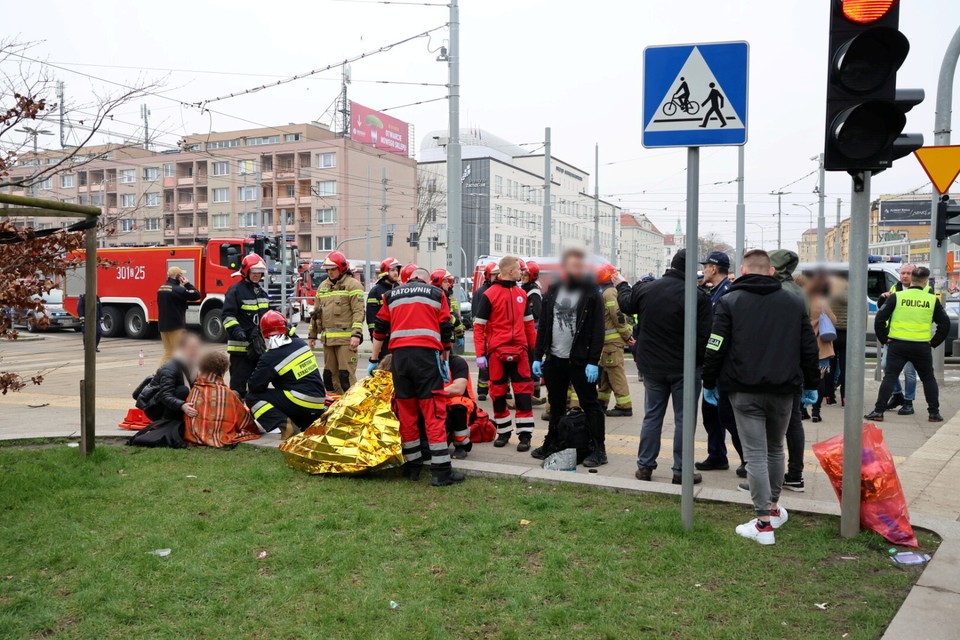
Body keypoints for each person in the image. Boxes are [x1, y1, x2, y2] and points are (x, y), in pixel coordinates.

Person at [702, 249, 820, 545]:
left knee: (754, 454)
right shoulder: (793, 301)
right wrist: (812, 385)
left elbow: (716, 345)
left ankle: (763, 523)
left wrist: (709, 381)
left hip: (743, 389)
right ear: (770, 272)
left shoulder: (729, 302)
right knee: (775, 449)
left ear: (742, 270)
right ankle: (774, 508)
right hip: (783, 388)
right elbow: (808, 347)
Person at [615, 249, 711, 484]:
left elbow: (627, 304)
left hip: (652, 367)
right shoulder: (697, 296)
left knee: (652, 416)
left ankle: (645, 467)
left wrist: (622, 285)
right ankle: (681, 471)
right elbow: (703, 337)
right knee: (684, 419)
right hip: (684, 368)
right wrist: (699, 365)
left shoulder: (648, 289)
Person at [369, 267, 462, 486]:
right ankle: (441, 472)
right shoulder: (436, 293)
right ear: (427, 278)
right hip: (426, 358)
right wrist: (445, 357)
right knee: (433, 412)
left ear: (408, 278)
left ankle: (413, 466)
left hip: (400, 359)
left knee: (407, 412)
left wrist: (374, 359)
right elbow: (446, 327)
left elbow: (380, 328)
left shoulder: (390, 295)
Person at [531, 248, 607, 466]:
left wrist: (593, 361)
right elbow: (544, 324)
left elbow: (597, 331)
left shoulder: (591, 293)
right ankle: (552, 443)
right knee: (556, 404)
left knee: (590, 404)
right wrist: (538, 356)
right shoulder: (554, 290)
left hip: (580, 361)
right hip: (555, 359)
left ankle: (598, 449)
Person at [866, 267, 949, 423]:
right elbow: (944, 324)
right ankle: (934, 413)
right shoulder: (931, 300)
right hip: (921, 345)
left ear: (912, 280)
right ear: (925, 282)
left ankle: (878, 411)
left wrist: (884, 339)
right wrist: (933, 343)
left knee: (890, 377)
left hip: (897, 344)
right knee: (928, 378)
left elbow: (879, 319)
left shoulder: (897, 296)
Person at [473, 255, 537, 452]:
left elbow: (529, 325)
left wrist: (535, 353)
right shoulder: (489, 294)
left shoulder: (521, 294)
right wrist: (480, 354)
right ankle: (504, 432)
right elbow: (478, 327)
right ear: (510, 272)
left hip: (521, 351)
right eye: (519, 269)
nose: (522, 272)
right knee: (498, 394)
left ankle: (525, 435)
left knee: (523, 393)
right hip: (496, 352)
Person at [695, 251, 744, 475]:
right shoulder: (712, 291)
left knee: (729, 417)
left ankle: (747, 460)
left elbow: (719, 334)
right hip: (713, 366)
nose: (703, 270)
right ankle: (716, 455)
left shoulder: (727, 293)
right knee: (710, 415)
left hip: (724, 367)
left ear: (714, 269)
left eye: (705, 267)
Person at [247, 310, 327, 440]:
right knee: (285, 392)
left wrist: (260, 361)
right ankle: (303, 423)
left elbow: (254, 386)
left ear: (264, 335)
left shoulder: (271, 356)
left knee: (252, 397)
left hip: (301, 401)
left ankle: (285, 426)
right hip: (318, 402)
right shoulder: (300, 343)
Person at [770, 249, 810, 492]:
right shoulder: (796, 291)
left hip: (780, 365)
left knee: (774, 425)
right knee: (793, 422)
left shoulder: (780, 293)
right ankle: (795, 474)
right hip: (794, 365)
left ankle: (771, 479)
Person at [128, 332, 201, 448]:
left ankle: (177, 426)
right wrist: (182, 406)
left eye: (196, 347)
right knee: (183, 391)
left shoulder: (192, 366)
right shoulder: (171, 367)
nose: (195, 351)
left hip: (169, 402)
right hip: (155, 407)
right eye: (191, 348)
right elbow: (165, 395)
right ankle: (165, 426)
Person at [309, 251, 365, 395]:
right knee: (328, 377)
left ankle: (350, 410)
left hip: (346, 340)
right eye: (328, 269)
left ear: (341, 268)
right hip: (328, 341)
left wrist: (356, 335)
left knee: (345, 377)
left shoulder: (353, 286)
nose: (330, 272)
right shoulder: (323, 287)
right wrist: (312, 335)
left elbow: (358, 312)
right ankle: (335, 409)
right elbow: (316, 313)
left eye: (333, 269)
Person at [183, 351, 261, 447]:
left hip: (193, 435)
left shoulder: (194, 389)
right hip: (220, 436)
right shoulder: (227, 393)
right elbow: (246, 423)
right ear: (223, 369)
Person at [878, 263, 927, 414]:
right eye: (903, 273)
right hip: (894, 337)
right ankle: (898, 394)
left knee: (909, 373)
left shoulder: (926, 290)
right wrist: (883, 298)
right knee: (886, 366)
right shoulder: (895, 289)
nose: (905, 276)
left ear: (915, 275)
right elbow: (884, 309)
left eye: (908, 273)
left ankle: (908, 402)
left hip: (915, 338)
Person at [222, 253, 270, 397]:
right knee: (239, 386)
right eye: (254, 272)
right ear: (246, 271)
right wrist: (237, 330)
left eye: (259, 272)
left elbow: (266, 317)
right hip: (240, 349)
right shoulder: (235, 291)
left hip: (258, 348)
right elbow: (227, 315)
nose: (257, 275)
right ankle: (237, 414)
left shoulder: (261, 293)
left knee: (258, 385)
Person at [596, 263, 634, 417]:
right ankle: (601, 403)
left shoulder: (609, 292)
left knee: (615, 374)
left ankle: (624, 406)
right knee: (605, 374)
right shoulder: (608, 291)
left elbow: (616, 316)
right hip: (606, 343)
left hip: (612, 342)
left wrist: (627, 335)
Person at [804, 272, 837, 423]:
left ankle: (802, 409)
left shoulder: (799, 301)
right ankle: (816, 411)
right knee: (820, 380)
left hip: (803, 346)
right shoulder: (821, 301)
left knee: (802, 378)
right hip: (821, 347)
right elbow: (833, 320)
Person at [157, 266, 202, 365]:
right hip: (176, 326)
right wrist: (187, 284)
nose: (183, 276)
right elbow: (197, 295)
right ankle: (176, 375)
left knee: (168, 352)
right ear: (178, 276)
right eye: (181, 275)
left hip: (163, 326)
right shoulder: (178, 290)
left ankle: (160, 374)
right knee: (179, 352)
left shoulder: (161, 288)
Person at [521, 260, 546, 406]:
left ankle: (532, 394)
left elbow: (537, 313)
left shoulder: (533, 292)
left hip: (532, 332)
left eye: (525, 274)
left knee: (530, 362)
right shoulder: (526, 289)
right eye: (522, 273)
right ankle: (534, 393)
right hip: (529, 331)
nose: (523, 276)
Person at [443, 354, 474, 460]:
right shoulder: (426, 361)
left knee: (458, 405)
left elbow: (458, 389)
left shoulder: (456, 362)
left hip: (458, 405)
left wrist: (432, 392)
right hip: (437, 403)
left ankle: (462, 445)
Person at [474, 261, 498, 400]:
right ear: (488, 275)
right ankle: (482, 390)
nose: (497, 277)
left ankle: (503, 389)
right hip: (484, 331)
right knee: (484, 362)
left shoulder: (498, 290)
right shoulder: (481, 292)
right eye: (494, 274)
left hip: (495, 332)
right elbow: (477, 314)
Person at [366, 257, 401, 342]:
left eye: (397, 270)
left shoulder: (400, 289)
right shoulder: (375, 291)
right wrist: (374, 336)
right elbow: (371, 317)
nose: (396, 273)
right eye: (392, 270)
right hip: (383, 338)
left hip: (398, 336)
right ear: (385, 272)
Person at [432, 269, 465, 351]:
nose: (449, 284)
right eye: (445, 281)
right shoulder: (437, 298)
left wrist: (459, 333)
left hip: (448, 335)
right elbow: (446, 318)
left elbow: (455, 316)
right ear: (438, 282)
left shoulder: (448, 298)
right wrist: (455, 321)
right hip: (439, 337)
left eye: (449, 281)